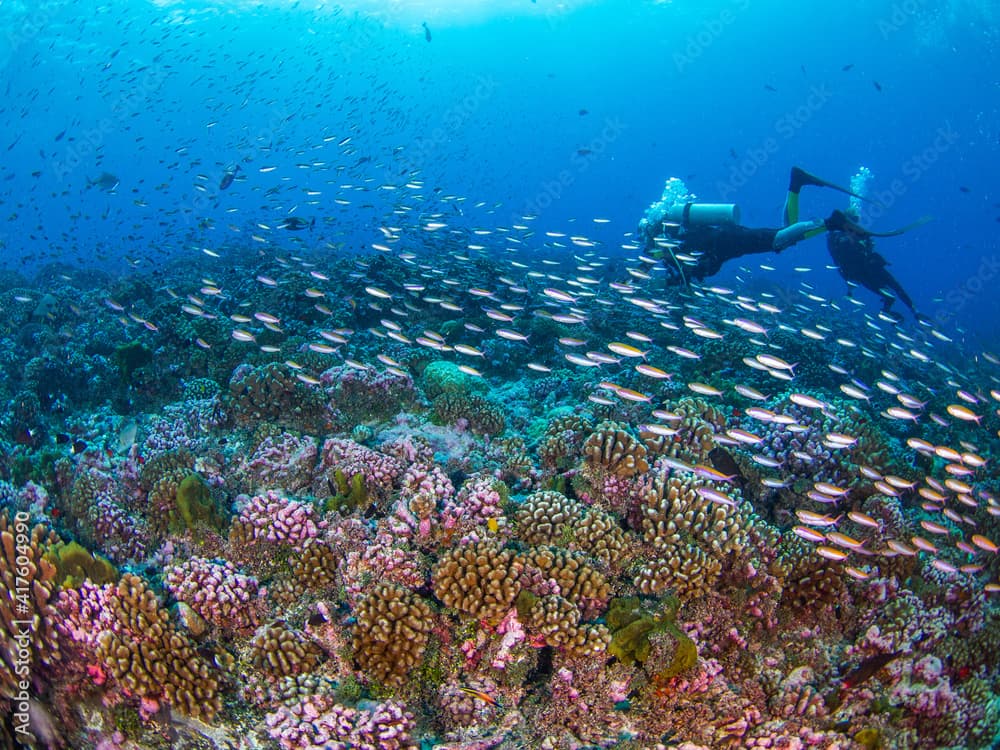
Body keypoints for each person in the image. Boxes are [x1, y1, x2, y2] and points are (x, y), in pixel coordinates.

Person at [638, 166, 861, 285]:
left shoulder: (663, 248)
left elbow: (649, 263)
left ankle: (832, 222)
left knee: (780, 240)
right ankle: (797, 184)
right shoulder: (675, 241)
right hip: (728, 237)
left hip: (728, 240)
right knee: (784, 235)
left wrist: (630, 280)